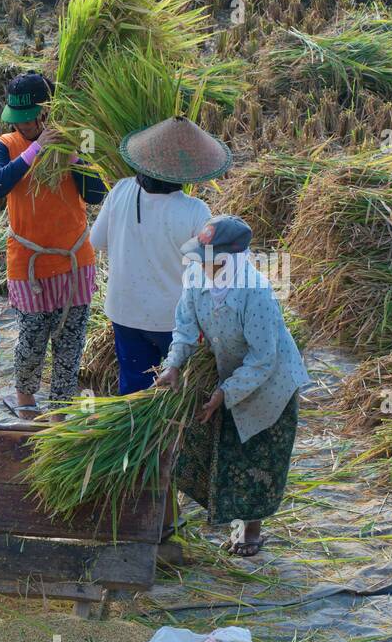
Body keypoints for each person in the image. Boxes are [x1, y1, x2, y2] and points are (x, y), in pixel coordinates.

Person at [155, 216, 310, 558]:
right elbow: (184, 326)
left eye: (208, 258)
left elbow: (263, 358)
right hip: (230, 370)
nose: (200, 264)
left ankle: (251, 529)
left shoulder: (255, 292)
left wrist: (226, 392)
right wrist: (174, 365)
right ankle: (216, 515)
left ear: (229, 259)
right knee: (216, 444)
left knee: (255, 453)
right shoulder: (196, 279)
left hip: (271, 382)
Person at [0, 72, 107, 418]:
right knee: (31, 340)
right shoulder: (5, 144)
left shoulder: (80, 137)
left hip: (74, 262)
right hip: (29, 264)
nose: (23, 127)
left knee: (70, 344)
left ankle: (60, 414)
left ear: (46, 112)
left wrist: (72, 158)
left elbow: (96, 193)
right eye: (18, 122)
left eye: (29, 121)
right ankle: (25, 405)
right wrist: (36, 150)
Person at [91, 116, 230, 394]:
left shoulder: (120, 190)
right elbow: (214, 273)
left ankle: (132, 437)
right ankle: (171, 437)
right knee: (177, 395)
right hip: (174, 322)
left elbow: (96, 241)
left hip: (124, 312)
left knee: (133, 392)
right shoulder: (195, 210)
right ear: (186, 174)